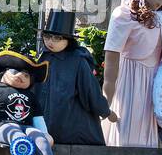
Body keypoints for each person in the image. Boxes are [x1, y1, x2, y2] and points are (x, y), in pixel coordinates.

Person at [102, 0, 162, 148]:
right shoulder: (123, 14)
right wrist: (106, 101)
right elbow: (111, 60)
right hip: (128, 81)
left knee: (147, 137)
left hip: (152, 83)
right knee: (125, 130)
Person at [33, 10, 115, 145]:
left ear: (68, 39)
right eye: (47, 36)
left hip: (71, 128)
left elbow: (90, 92)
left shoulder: (78, 60)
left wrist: (106, 112)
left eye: (57, 38)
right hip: (45, 127)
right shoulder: (44, 56)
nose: (50, 42)